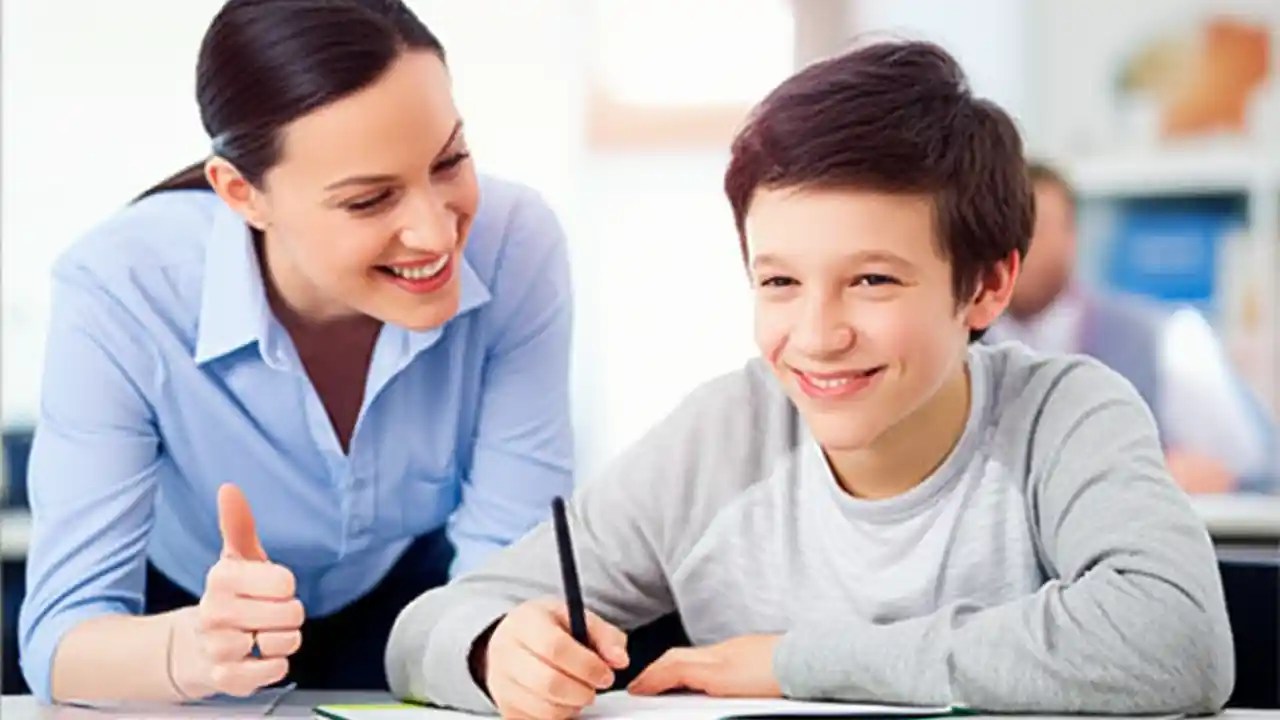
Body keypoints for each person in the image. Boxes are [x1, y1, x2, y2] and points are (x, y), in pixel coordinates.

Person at [385, 40, 1234, 719]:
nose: (819, 337)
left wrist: (796, 662)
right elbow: (422, 632)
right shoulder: (722, 439)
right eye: (781, 282)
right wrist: (496, 650)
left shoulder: (1066, 415)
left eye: (873, 280)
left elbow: (1175, 639)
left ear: (986, 285)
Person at [18, 0, 574, 704]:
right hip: (187, 619)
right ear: (242, 194)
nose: (438, 235)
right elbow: (60, 637)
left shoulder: (515, 242)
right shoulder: (122, 287)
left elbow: (511, 564)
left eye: (450, 161)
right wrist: (190, 651)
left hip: (416, 599)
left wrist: (506, 650)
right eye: (369, 200)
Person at [987, 161, 1277, 494]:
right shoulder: (960, 347)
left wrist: (1204, 477)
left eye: (1035, 229)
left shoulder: (1162, 340)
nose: (1017, 248)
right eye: (1000, 229)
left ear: (1073, 237)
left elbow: (1257, 467)